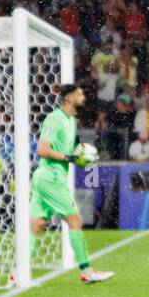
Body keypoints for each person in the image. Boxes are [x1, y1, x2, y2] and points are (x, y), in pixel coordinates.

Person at [30, 84, 114, 283]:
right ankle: (86, 271)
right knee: (75, 221)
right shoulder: (54, 119)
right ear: (68, 98)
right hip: (51, 178)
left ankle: (17, 271)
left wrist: (83, 153)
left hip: (48, 179)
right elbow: (42, 150)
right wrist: (69, 158)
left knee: (36, 225)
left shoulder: (72, 121)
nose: (83, 95)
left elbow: (70, 149)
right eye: (80, 93)